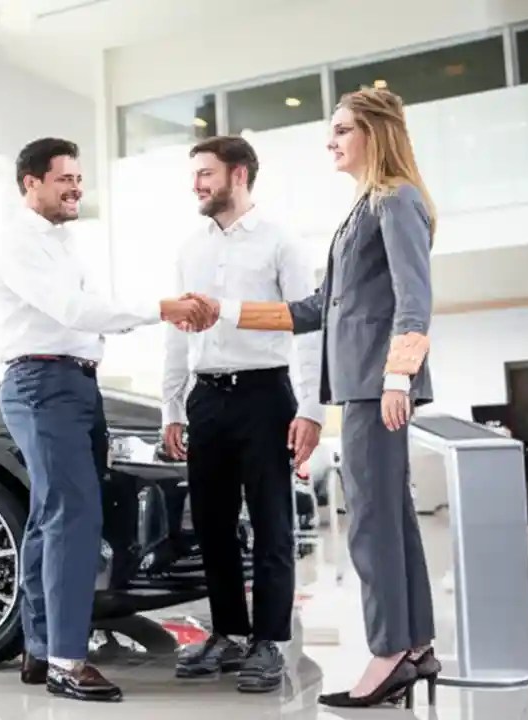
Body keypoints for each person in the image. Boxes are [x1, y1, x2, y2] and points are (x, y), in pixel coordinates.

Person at [180, 88, 440, 708]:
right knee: (393, 522)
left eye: (342, 130)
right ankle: (417, 645)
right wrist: (229, 311)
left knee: (372, 524)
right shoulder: (364, 209)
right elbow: (314, 309)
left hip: (377, 387)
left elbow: (414, 297)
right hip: (363, 386)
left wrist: (398, 378)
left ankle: (386, 655)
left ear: (375, 134)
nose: (331, 141)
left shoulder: (395, 198)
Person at [0, 137, 212, 703]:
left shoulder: (63, 245)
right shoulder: (19, 243)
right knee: (73, 516)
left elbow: (91, 314)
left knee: (48, 516)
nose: (76, 188)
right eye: (64, 178)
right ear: (30, 183)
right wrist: (162, 308)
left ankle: (40, 648)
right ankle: (68, 660)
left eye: (79, 179)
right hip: (43, 383)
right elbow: (74, 311)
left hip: (74, 382)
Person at [161, 136, 323, 694]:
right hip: (207, 399)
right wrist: (172, 406)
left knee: (273, 523)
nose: (196, 184)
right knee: (212, 524)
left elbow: (307, 327)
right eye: (194, 175)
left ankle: (269, 641)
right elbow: (177, 333)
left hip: (265, 396)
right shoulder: (190, 248)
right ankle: (228, 632)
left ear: (238, 174)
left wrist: (311, 407)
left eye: (205, 173)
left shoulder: (282, 242)